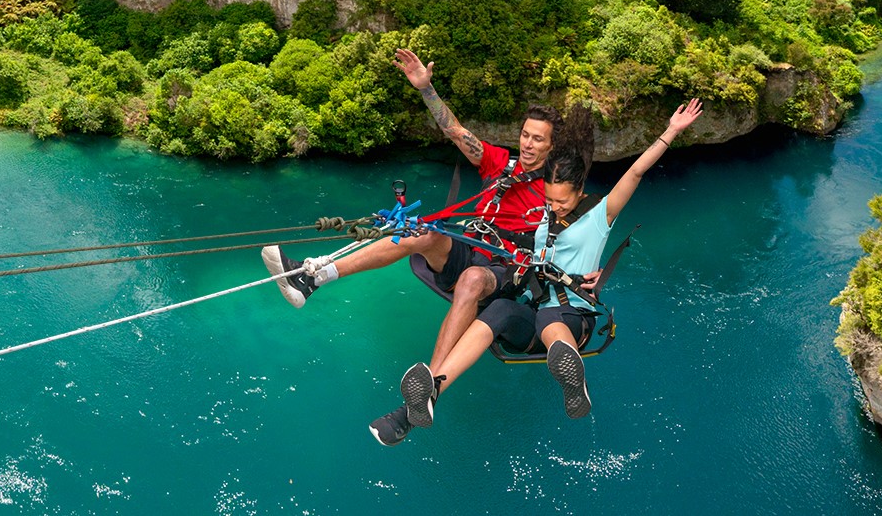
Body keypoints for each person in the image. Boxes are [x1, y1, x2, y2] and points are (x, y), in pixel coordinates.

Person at [370, 99, 704, 445]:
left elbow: (635, 172)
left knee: (551, 322)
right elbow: (517, 240)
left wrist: (672, 131)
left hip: (573, 314)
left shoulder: (599, 216)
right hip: (535, 305)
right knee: (502, 311)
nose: (554, 207)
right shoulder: (544, 219)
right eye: (549, 200)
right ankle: (433, 391)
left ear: (580, 192)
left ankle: (572, 379)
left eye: (561, 202)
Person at [262, 48, 560, 374]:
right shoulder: (500, 163)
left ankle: (433, 381)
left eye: (538, 140)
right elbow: (455, 130)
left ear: (551, 146)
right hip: (467, 252)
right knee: (417, 231)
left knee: (474, 279)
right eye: (525, 135)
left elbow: (577, 238)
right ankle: (313, 279)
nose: (528, 144)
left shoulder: (558, 192)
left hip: (502, 274)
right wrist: (425, 89)